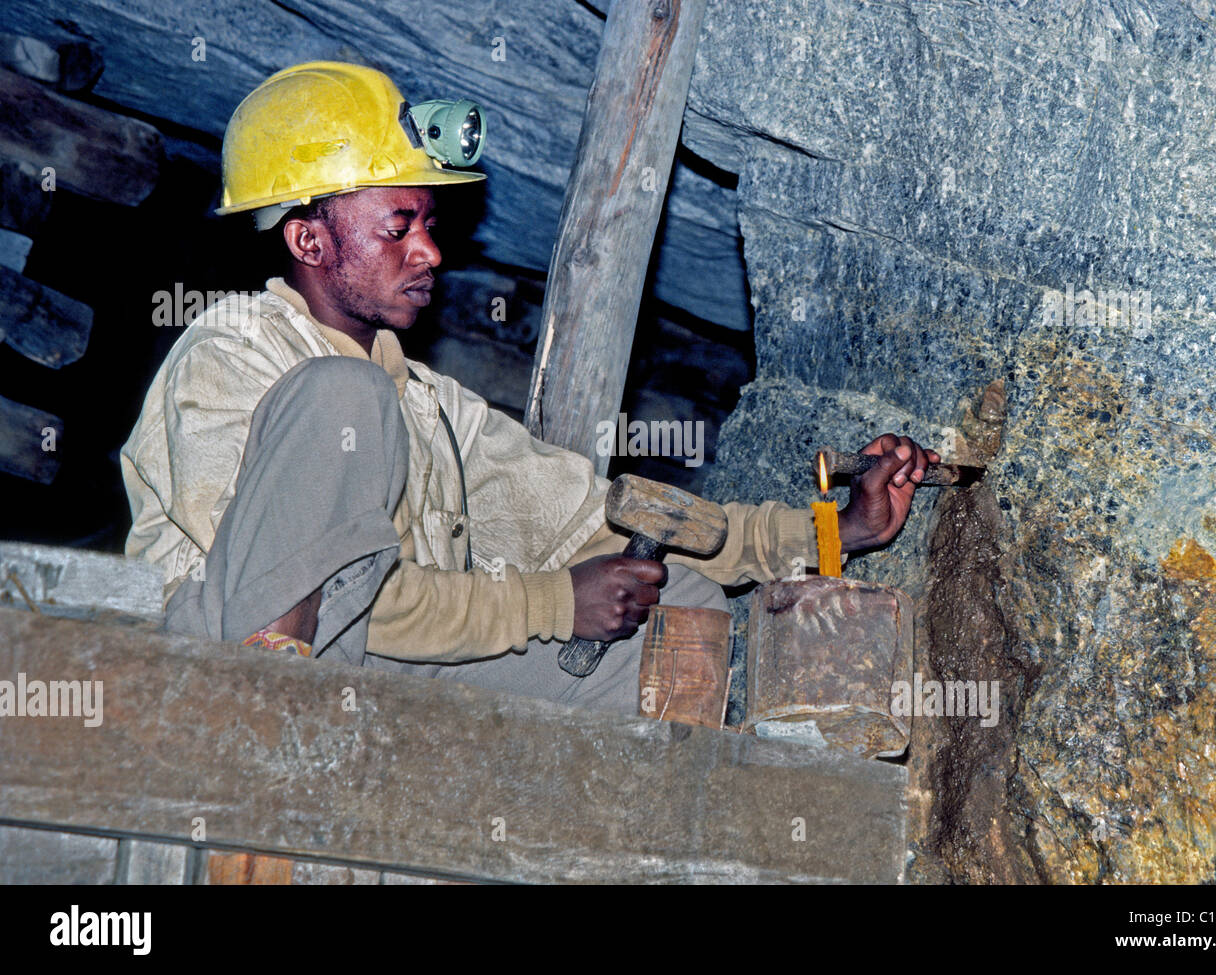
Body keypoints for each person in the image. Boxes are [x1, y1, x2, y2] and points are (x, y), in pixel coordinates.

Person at [120, 61, 939, 715]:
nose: (431, 252)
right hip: (224, 692)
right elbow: (353, 601)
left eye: (431, 225)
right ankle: (257, 748)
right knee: (343, 396)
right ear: (308, 237)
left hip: (375, 702)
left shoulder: (426, 407)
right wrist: (549, 603)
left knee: (679, 602)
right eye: (398, 226)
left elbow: (604, 518)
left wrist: (833, 531)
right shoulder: (233, 357)